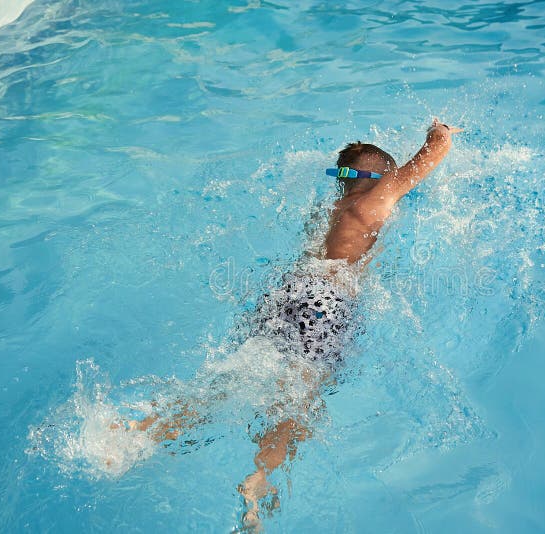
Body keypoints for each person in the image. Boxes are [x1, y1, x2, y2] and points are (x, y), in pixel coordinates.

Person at [123, 118, 462, 529]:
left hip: (285, 293)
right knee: (297, 401)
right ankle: (260, 477)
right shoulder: (373, 200)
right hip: (326, 304)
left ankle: (143, 430)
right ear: (375, 178)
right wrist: (440, 130)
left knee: (233, 377)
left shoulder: (328, 210)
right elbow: (432, 155)